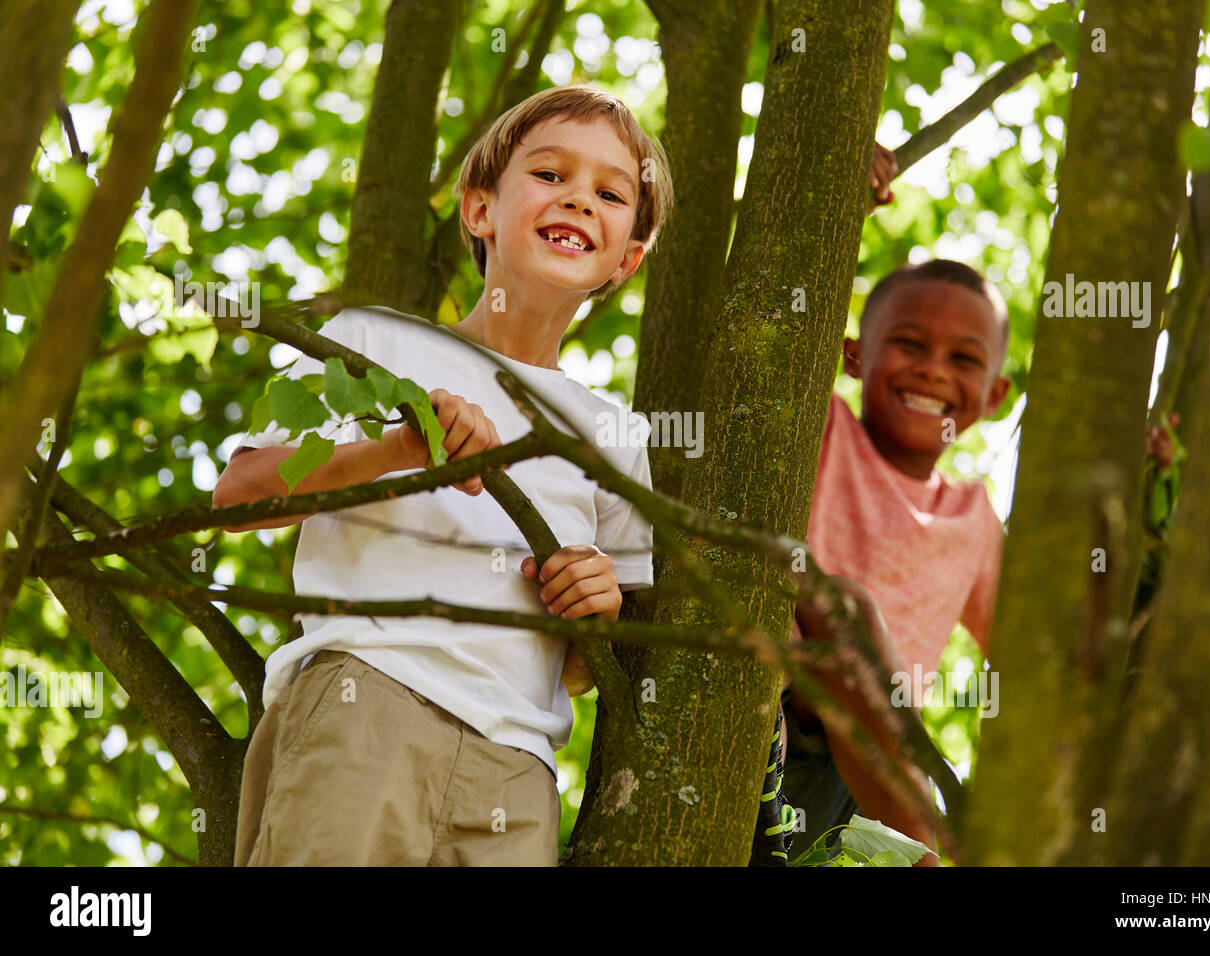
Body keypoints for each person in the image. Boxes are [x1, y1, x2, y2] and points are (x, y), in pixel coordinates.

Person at [214, 85, 673, 866]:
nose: (578, 200)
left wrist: (596, 613)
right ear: (479, 209)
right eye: (551, 175)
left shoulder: (616, 436)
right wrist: (400, 451)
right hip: (367, 702)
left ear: (626, 259)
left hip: (518, 769)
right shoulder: (372, 345)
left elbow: (587, 665)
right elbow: (238, 500)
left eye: (609, 192)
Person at [754, 259, 1012, 865]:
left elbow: (1037, 657)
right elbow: (767, 334)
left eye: (964, 359)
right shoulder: (820, 427)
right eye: (908, 344)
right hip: (768, 718)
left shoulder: (972, 519)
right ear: (852, 356)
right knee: (839, 604)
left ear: (996, 394)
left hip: (860, 793)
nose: (932, 369)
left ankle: (921, 854)